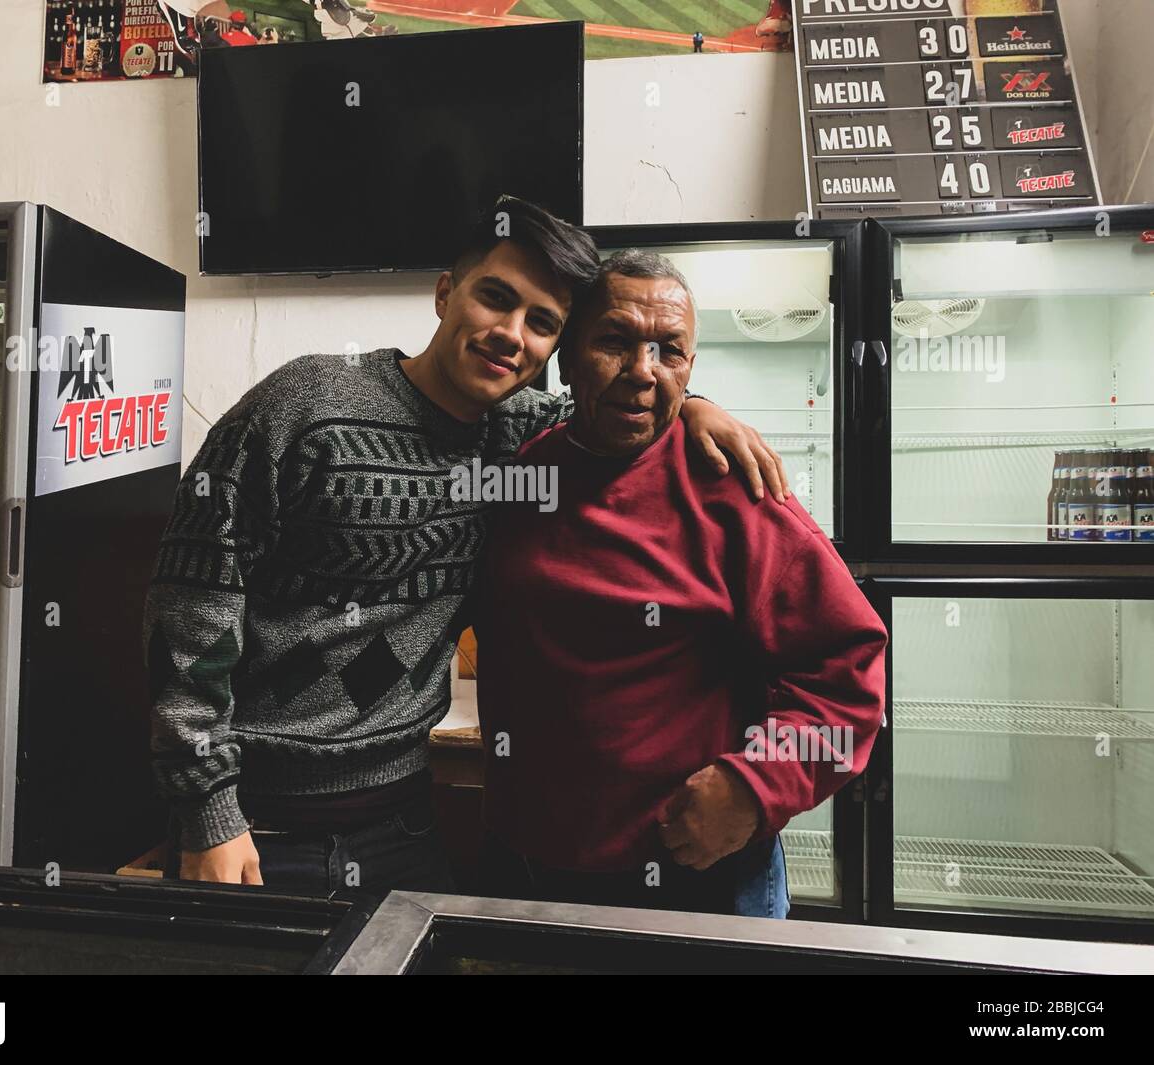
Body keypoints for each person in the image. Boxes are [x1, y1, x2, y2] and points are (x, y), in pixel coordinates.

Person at [143, 197, 787, 897]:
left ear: (558, 350)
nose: (512, 334)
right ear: (446, 292)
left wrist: (698, 405)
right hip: (256, 827)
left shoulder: (518, 438)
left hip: (401, 825)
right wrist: (208, 808)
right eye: (496, 298)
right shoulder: (304, 406)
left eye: (542, 322)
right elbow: (189, 608)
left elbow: (628, 394)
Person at [473, 249, 888, 918]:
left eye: (671, 350)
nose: (643, 372)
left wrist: (757, 786)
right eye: (614, 341)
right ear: (568, 356)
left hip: (697, 882)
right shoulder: (517, 475)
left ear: (691, 367)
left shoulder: (736, 491)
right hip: (526, 878)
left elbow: (850, 672)